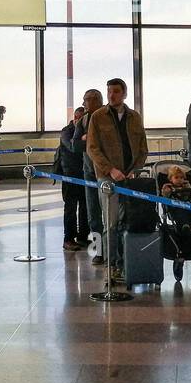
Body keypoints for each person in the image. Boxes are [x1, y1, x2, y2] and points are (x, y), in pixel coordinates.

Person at [85, 78, 148, 283]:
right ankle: (111, 266)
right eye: (109, 91)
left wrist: (134, 170)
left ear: (124, 94)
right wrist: (110, 170)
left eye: (116, 92)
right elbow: (92, 148)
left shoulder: (134, 117)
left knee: (127, 222)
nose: (112, 95)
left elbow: (142, 148)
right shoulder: (98, 117)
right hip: (107, 179)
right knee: (110, 223)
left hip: (129, 178)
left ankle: (125, 263)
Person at [75, 89, 103, 260]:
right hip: (90, 172)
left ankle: (115, 250)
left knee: (113, 214)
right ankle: (99, 250)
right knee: (93, 214)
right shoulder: (83, 121)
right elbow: (74, 145)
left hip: (108, 171)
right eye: (86, 100)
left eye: (92, 99)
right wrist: (85, 140)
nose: (88, 102)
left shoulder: (108, 117)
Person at [58, 105, 88, 250]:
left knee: (85, 206)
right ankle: (68, 238)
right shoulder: (67, 131)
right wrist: (82, 139)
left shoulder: (86, 131)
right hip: (69, 175)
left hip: (84, 174)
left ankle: (83, 236)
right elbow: (72, 147)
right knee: (70, 208)